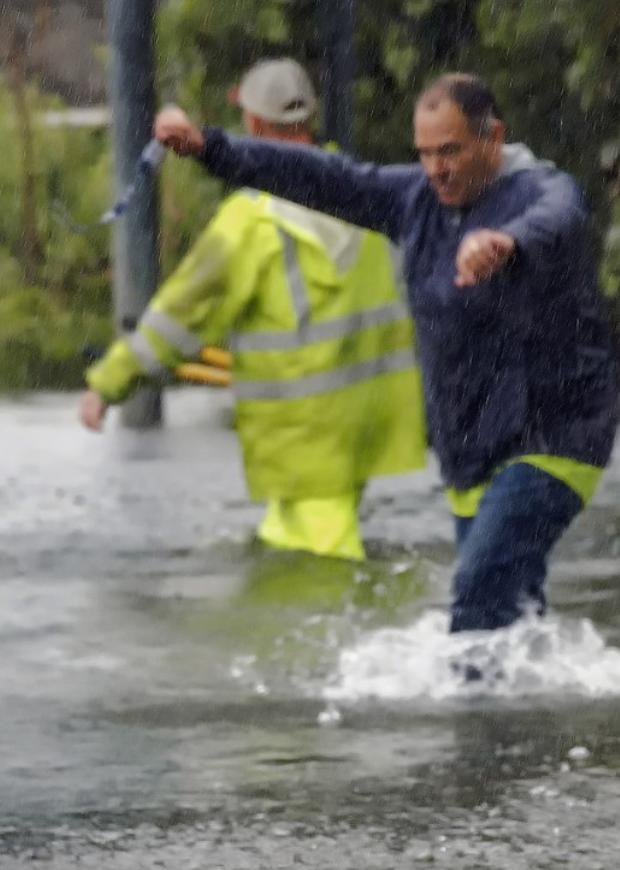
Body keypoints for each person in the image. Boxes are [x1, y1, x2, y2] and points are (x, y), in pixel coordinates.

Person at [153, 72, 619, 633]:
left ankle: (475, 719)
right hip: (471, 450)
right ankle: (529, 714)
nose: (436, 169)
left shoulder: (543, 191)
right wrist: (209, 147)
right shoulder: (415, 201)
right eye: (424, 154)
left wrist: (508, 241)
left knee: (476, 598)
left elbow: (560, 218)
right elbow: (320, 177)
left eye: (450, 151)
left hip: (555, 439)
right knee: (510, 621)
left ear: (492, 138)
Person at [81, 58, 427, 562]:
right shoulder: (361, 189)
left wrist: (107, 382)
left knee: (322, 569)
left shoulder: (251, 222)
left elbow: (182, 315)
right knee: (292, 541)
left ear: (256, 125)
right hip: (370, 420)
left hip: (305, 431)